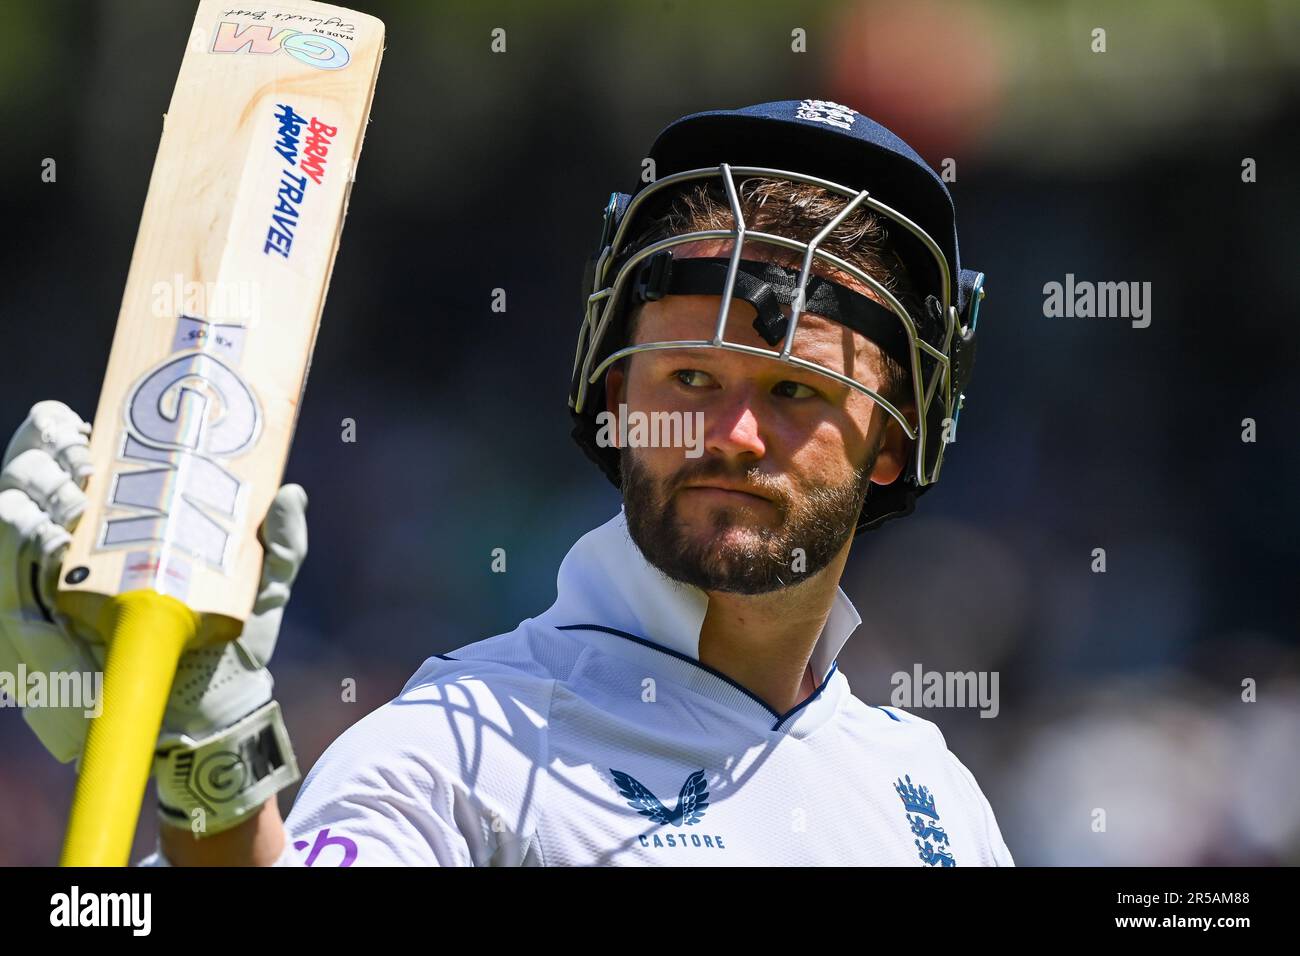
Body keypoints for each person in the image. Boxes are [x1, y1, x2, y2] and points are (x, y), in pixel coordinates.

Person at [0, 99, 1010, 866]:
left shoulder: (936, 799)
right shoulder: (455, 748)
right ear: (618, 401)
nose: (733, 434)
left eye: (795, 388)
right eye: (689, 377)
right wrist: (208, 759)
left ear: (894, 437)